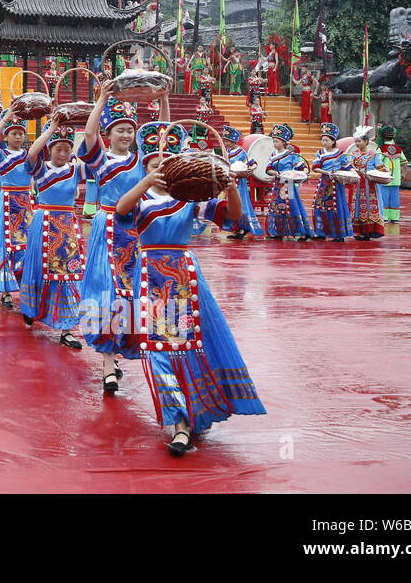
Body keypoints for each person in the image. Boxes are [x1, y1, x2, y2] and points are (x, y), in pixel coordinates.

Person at [114, 129, 266, 455]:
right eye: (154, 165)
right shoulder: (140, 198)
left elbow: (233, 217)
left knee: (187, 346)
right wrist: (144, 182)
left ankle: (192, 415)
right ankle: (179, 424)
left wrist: (231, 186)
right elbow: (120, 210)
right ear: (146, 168)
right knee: (157, 348)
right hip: (150, 275)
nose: (161, 171)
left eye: (166, 166)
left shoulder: (191, 199)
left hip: (183, 274)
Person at [78, 83, 157, 394]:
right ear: (109, 135)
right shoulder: (101, 160)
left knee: (134, 292)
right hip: (108, 227)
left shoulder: (141, 161)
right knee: (106, 291)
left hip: (136, 230)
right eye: (119, 130)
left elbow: (163, 135)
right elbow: (88, 135)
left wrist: (161, 102)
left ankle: (126, 346)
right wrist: (101, 100)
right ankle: (108, 362)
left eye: (129, 130)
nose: (125, 135)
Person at [18, 118, 85, 347]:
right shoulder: (41, 169)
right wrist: (51, 130)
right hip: (43, 223)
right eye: (59, 148)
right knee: (36, 269)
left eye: (68, 149)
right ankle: (31, 309)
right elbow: (31, 154)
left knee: (68, 275)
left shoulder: (76, 170)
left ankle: (67, 329)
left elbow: (94, 153)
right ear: (50, 149)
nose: (64, 153)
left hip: (66, 228)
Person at [0, 105, 33, 311]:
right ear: (6, 136)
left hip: (25, 203)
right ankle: (5, 290)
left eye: (21, 134)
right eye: (14, 134)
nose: (18, 137)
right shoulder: (1, 155)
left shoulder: (30, 155)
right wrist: (5, 120)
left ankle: (25, 284)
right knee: (6, 245)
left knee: (26, 244)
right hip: (6, 203)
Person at [264, 124, 312, 240]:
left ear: (284, 143)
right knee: (276, 207)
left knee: (291, 206)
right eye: (274, 141)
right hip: (278, 184)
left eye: (277, 142)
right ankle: (278, 231)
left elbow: (302, 167)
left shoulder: (291, 155)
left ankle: (298, 231)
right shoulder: (273, 155)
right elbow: (268, 169)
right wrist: (275, 173)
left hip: (289, 185)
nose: (275, 144)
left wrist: (304, 172)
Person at [217, 124, 264, 239]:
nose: (226, 143)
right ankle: (235, 228)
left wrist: (249, 169)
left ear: (234, 141)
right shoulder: (226, 152)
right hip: (229, 181)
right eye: (225, 141)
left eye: (228, 141)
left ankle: (245, 227)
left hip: (239, 182)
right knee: (229, 204)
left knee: (241, 203)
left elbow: (253, 163)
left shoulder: (241, 152)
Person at [309, 123, 353, 242]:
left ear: (333, 141)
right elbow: (315, 167)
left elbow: (347, 167)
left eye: (327, 140)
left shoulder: (340, 153)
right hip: (324, 183)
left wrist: (353, 174)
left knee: (336, 207)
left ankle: (338, 234)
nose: (324, 142)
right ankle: (320, 232)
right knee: (320, 205)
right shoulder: (320, 153)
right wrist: (326, 172)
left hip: (336, 184)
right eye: (323, 140)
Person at [347, 126, 384, 240]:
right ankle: (361, 231)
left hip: (370, 185)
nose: (357, 143)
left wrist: (377, 175)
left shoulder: (373, 154)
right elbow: (349, 167)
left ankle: (369, 232)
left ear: (366, 141)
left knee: (369, 206)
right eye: (356, 141)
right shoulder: (353, 154)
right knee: (357, 207)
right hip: (357, 185)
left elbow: (381, 168)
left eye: (359, 141)